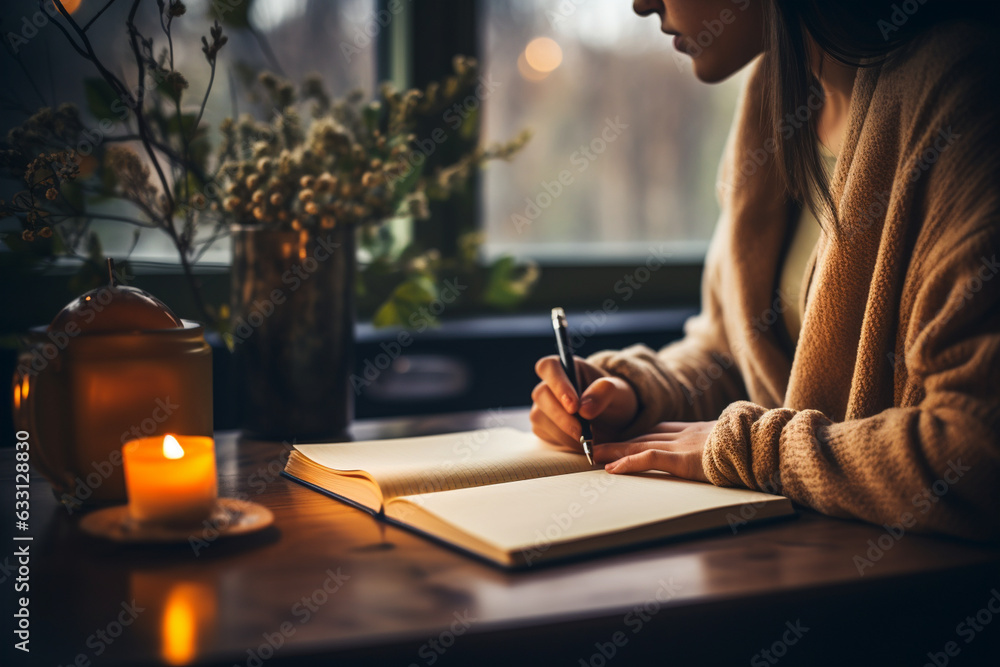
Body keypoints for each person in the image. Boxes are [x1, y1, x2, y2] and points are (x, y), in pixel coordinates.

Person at [530, 0, 1000, 541]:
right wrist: (635, 394)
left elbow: (978, 444)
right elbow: (739, 356)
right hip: (803, 556)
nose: (641, 5)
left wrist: (752, 450)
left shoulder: (962, 91)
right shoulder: (772, 100)